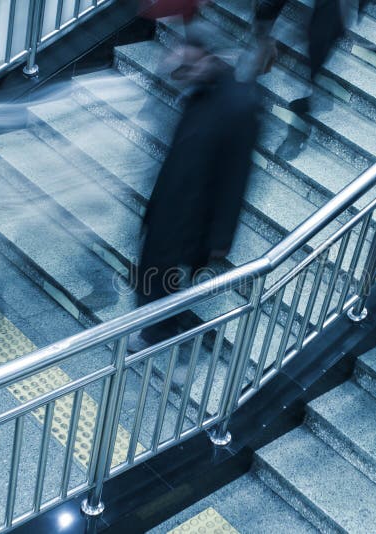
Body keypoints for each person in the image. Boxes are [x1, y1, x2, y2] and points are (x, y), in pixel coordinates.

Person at [129, 37, 262, 352]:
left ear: (205, 58)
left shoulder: (239, 104)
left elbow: (236, 176)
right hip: (174, 200)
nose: (182, 77)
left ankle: (158, 331)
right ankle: (155, 326)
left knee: (161, 270)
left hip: (194, 210)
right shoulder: (203, 93)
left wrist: (221, 236)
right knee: (155, 267)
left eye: (186, 69)